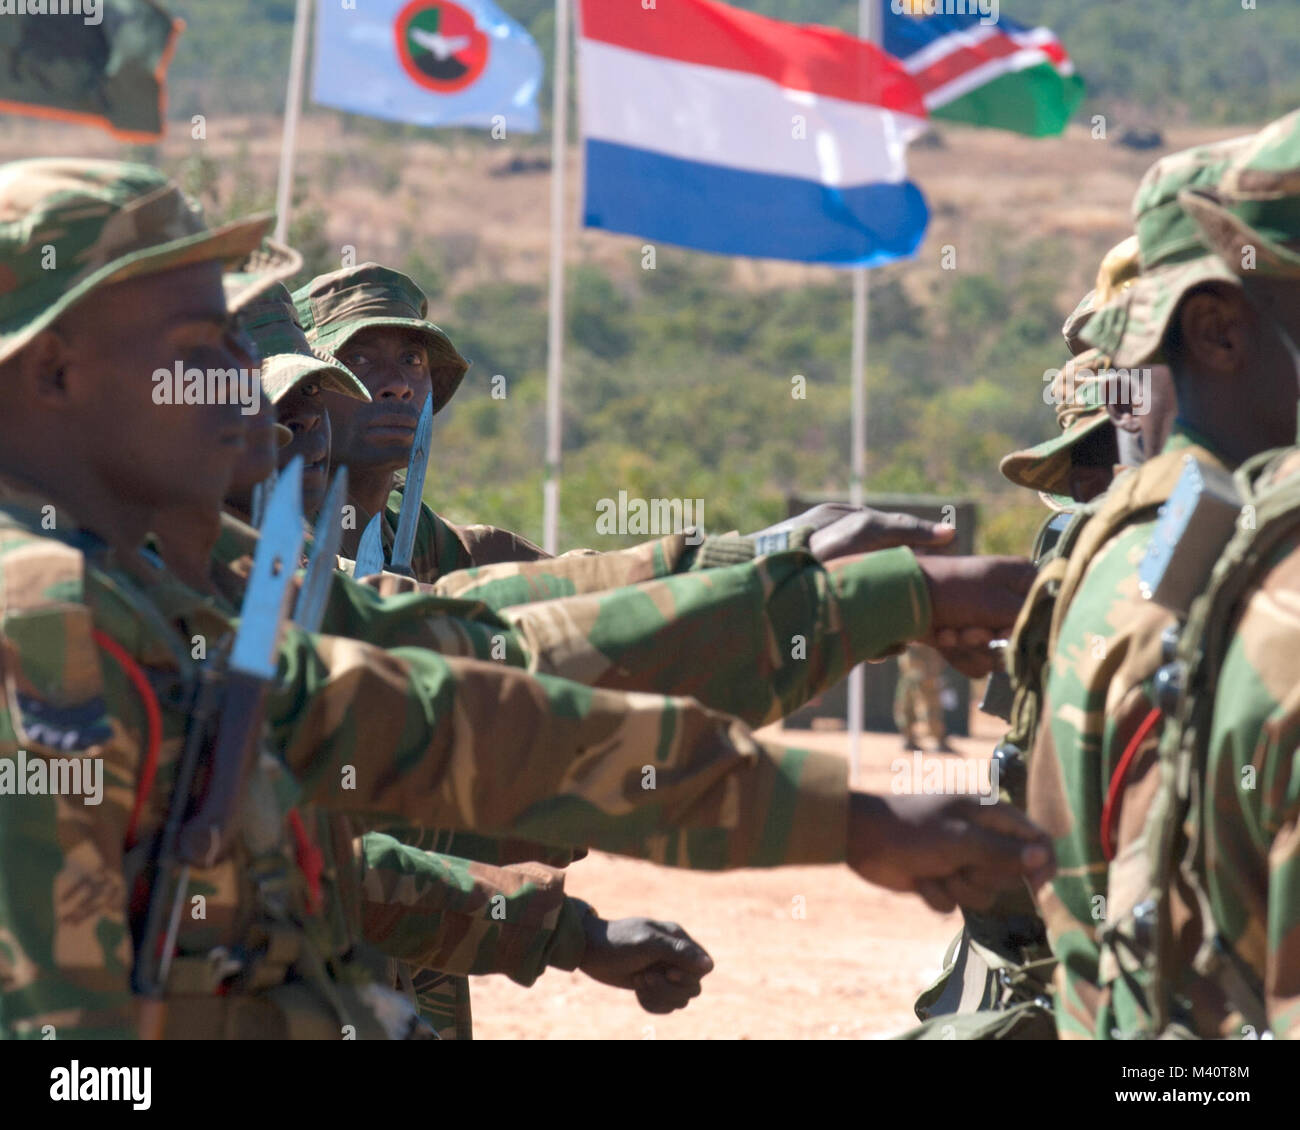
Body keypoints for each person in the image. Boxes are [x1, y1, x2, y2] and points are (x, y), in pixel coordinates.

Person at [0, 159, 1054, 1039]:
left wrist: (861, 628)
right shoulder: (42, 630)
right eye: (202, 350)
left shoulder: (158, 581)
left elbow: (468, 679)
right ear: (52, 374)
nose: (250, 387)